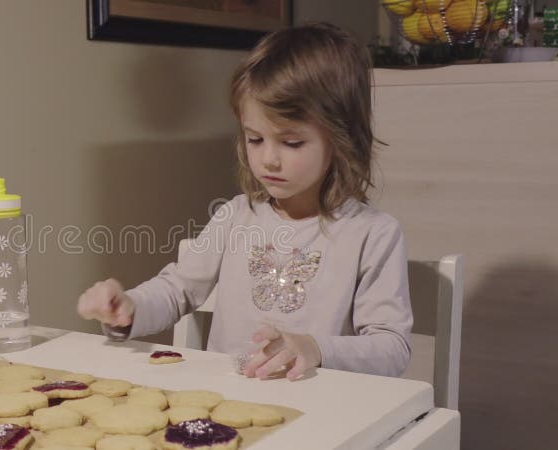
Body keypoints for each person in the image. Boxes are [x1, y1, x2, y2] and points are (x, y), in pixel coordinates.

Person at [77, 23, 412, 380]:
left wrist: (315, 348)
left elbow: (391, 349)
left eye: (292, 143)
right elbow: (176, 291)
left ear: (342, 138)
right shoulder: (235, 216)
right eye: (255, 139)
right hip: (225, 400)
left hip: (320, 405)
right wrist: (128, 308)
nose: (269, 159)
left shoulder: (373, 234)